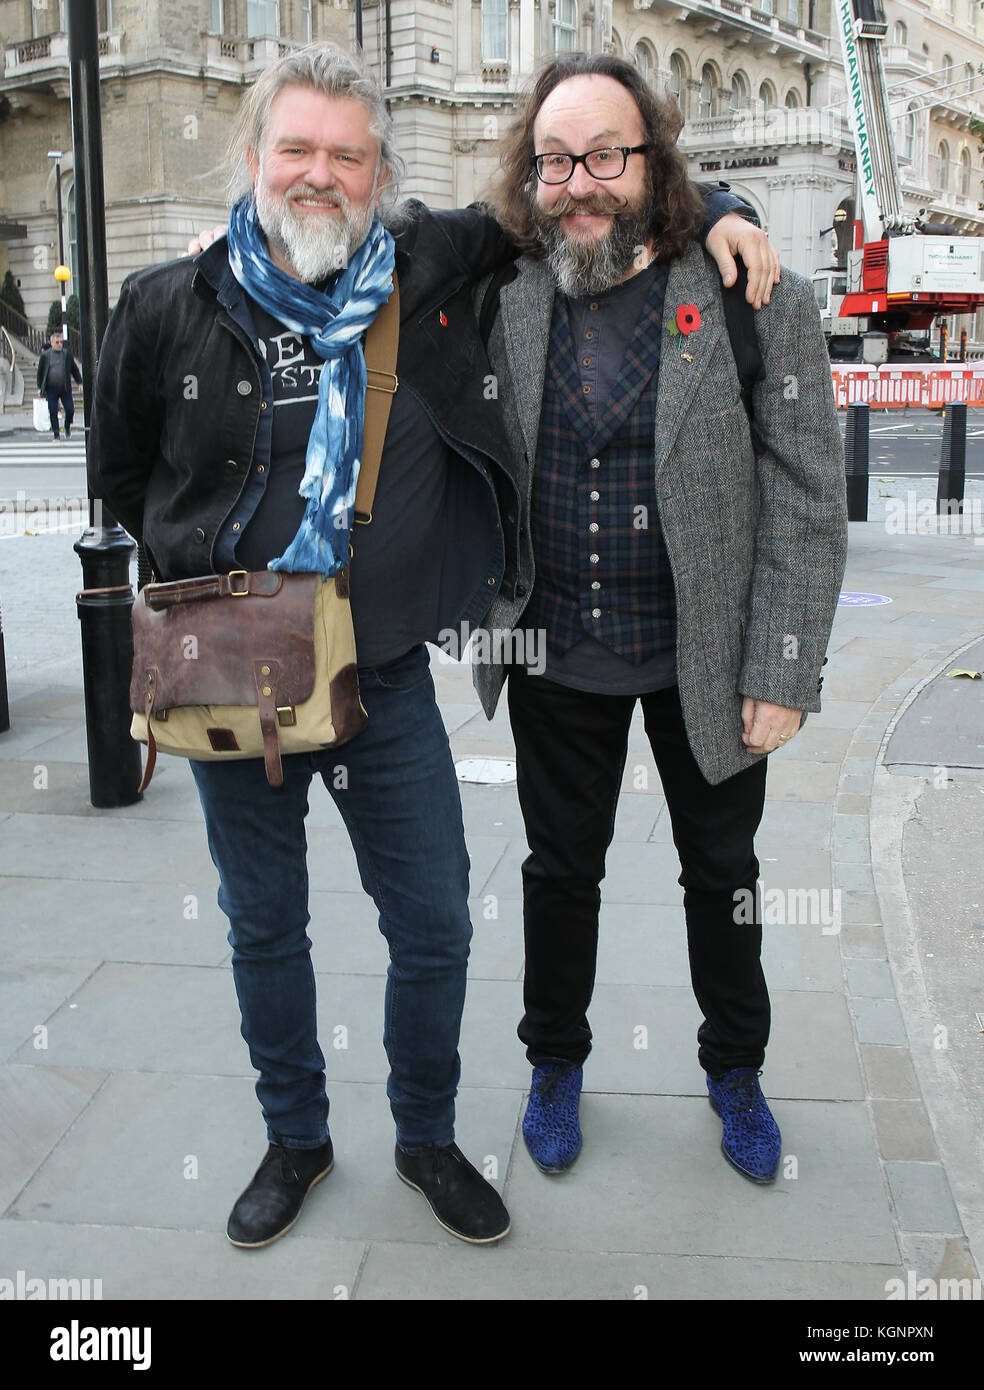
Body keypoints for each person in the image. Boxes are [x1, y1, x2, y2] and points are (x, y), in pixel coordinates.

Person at [90, 41, 779, 1249]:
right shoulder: (167, 305)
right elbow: (122, 470)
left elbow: (584, 192)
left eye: (346, 155)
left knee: (437, 925)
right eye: (295, 149)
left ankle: (426, 1137)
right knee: (264, 925)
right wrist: (209, 573)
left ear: (381, 176)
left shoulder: (429, 260)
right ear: (254, 159)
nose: (319, 175)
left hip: (384, 671)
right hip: (225, 686)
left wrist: (725, 205)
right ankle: (295, 1139)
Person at [472, 52, 848, 1184]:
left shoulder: (745, 289)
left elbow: (807, 487)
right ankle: (556, 1063)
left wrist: (783, 663)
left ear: (653, 159)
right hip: (556, 648)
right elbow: (372, 241)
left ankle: (736, 1070)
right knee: (559, 872)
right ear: (530, 171)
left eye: (603, 155)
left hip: (710, 654)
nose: (579, 181)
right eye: (554, 159)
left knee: (721, 872)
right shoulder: (507, 284)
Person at [37, 329, 82, 440]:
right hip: (51, 388)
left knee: (70, 409)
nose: (59, 344)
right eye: (57, 342)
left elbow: (74, 369)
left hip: (64, 387)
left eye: (61, 342)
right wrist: (39, 387)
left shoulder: (67, 355)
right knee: (53, 410)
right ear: (51, 343)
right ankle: (56, 433)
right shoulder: (45, 356)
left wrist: (79, 382)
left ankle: (67, 426)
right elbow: (40, 372)